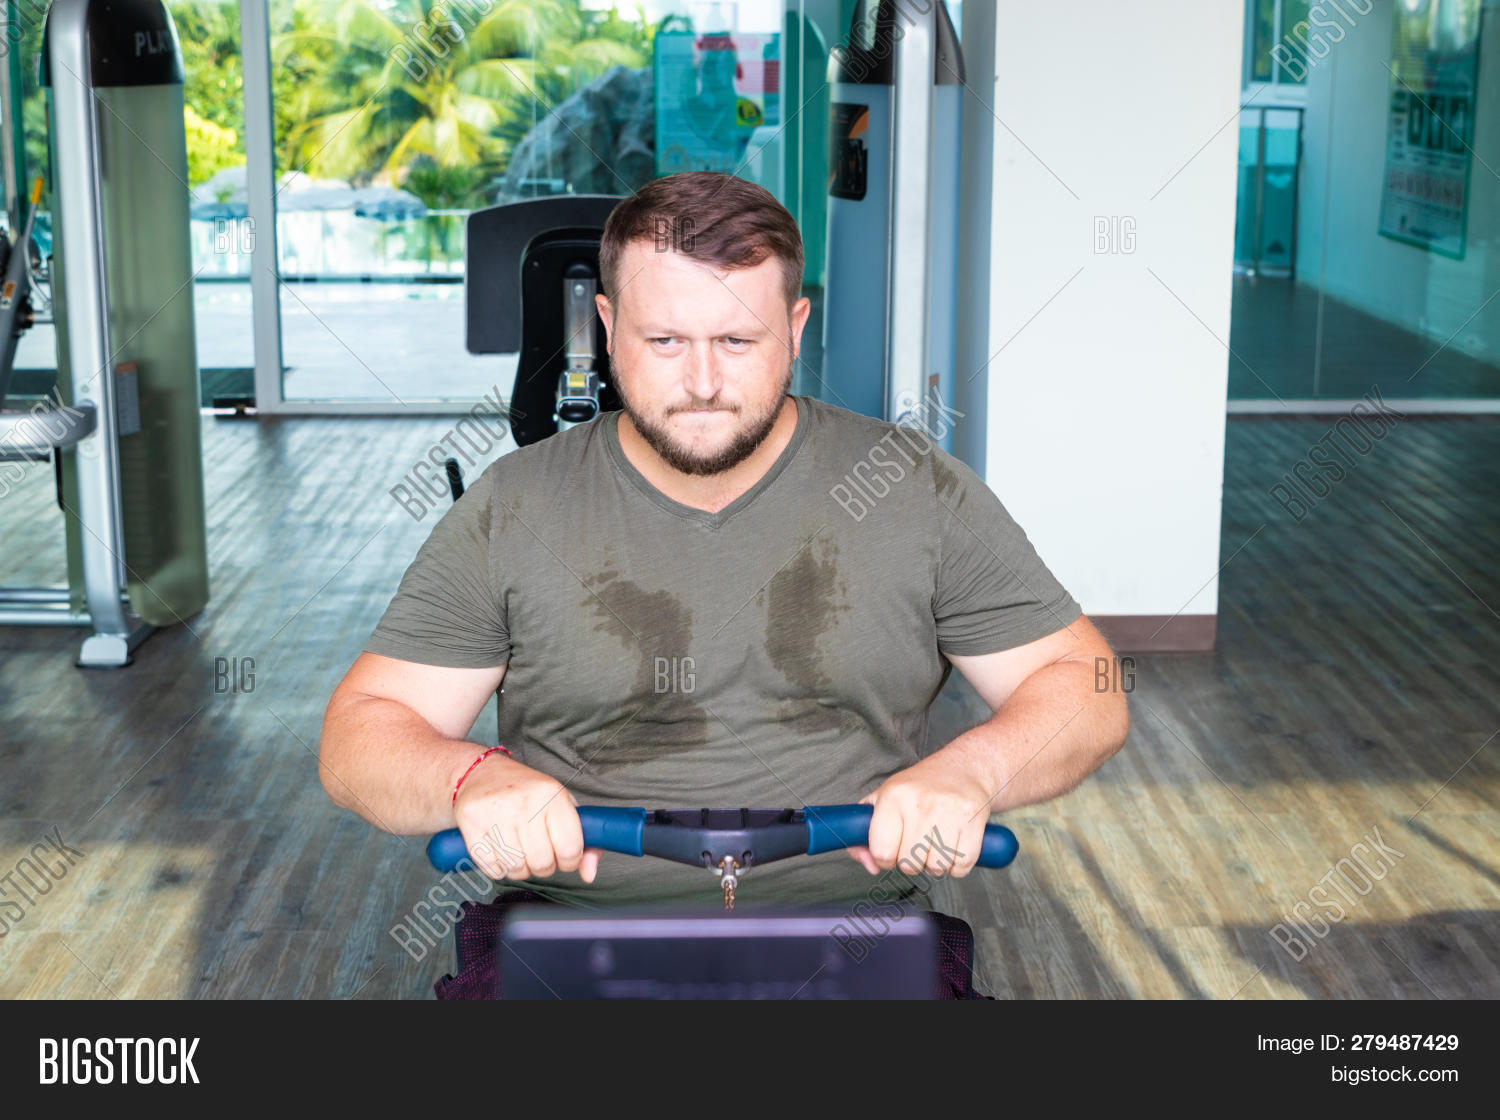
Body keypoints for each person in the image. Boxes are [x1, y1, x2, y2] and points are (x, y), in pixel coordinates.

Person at [319, 171, 1128, 912]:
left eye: (737, 342)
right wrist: (471, 776)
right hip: (572, 939)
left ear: (795, 325)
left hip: (851, 935)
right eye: (664, 341)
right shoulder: (515, 505)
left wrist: (973, 768)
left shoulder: (910, 486)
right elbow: (362, 734)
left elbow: (1085, 686)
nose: (702, 382)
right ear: (606, 325)